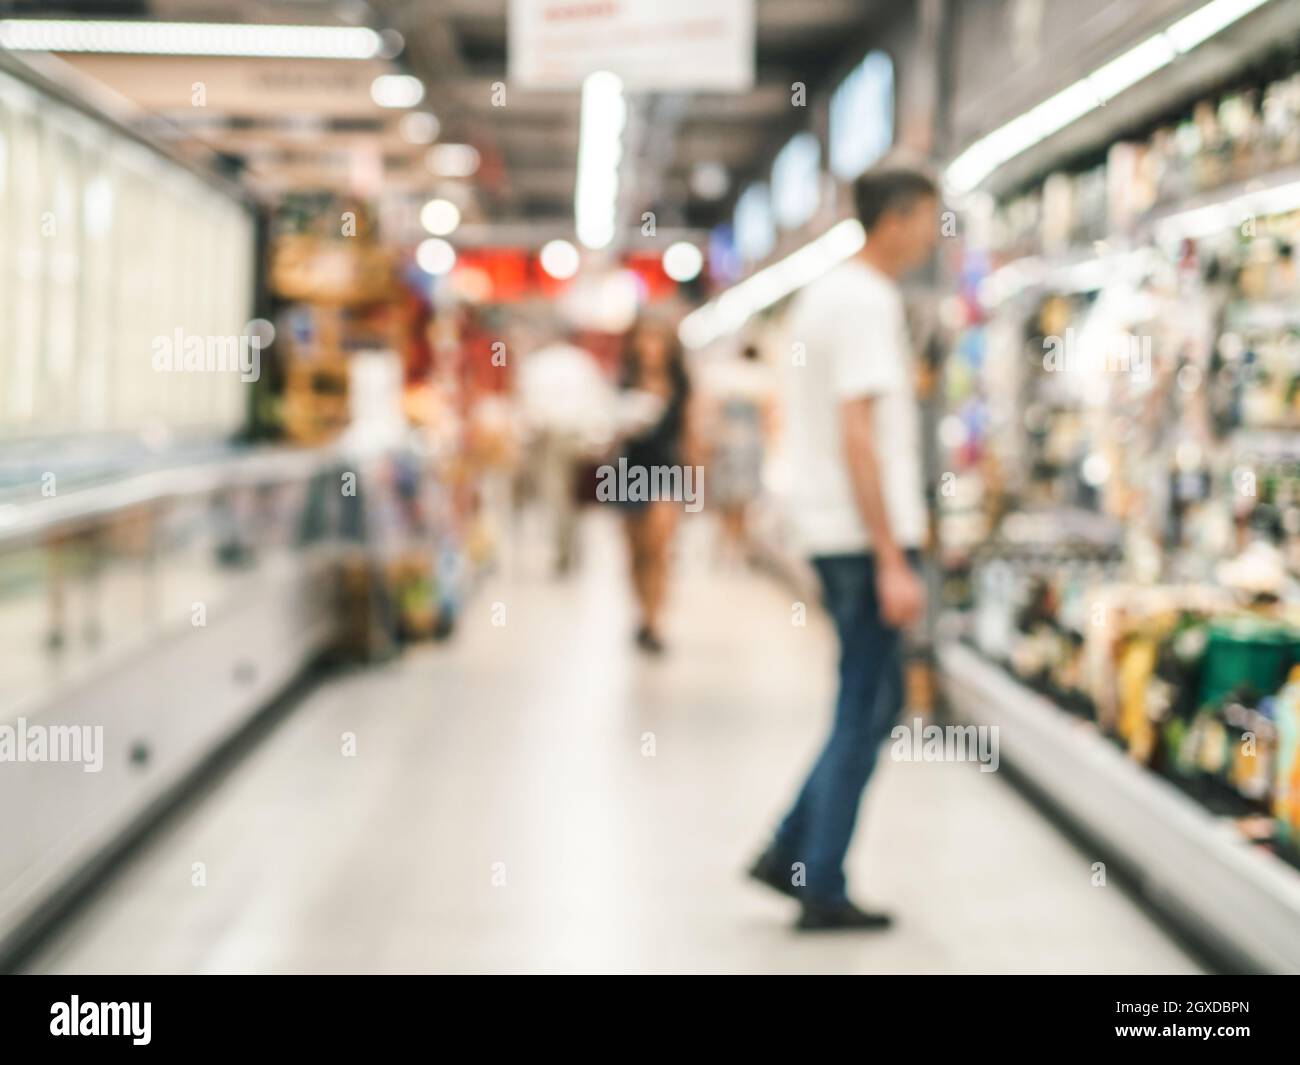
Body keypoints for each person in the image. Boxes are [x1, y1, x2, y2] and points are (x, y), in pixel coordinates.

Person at [748, 165, 939, 930]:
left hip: (838, 531)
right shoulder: (864, 301)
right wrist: (892, 554)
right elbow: (859, 433)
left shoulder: (830, 296)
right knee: (865, 702)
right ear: (894, 219)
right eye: (928, 217)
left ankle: (789, 851)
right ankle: (819, 879)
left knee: (873, 696)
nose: (934, 234)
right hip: (863, 539)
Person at [614, 317, 696, 655]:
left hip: (667, 472)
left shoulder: (681, 386)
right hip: (629, 470)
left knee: (660, 549)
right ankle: (641, 609)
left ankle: (654, 620)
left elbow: (690, 435)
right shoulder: (625, 383)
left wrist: (694, 484)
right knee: (636, 551)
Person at [516, 327, 615, 575]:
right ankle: (571, 547)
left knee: (557, 494)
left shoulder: (538, 364)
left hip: (553, 436)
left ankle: (565, 549)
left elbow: (529, 405)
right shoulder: (582, 362)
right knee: (572, 496)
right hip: (575, 435)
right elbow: (598, 399)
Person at [701, 343, 776, 565]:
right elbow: (768, 418)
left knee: (728, 499)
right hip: (746, 448)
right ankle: (735, 547)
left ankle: (728, 545)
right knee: (740, 500)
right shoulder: (760, 383)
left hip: (729, 447)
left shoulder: (727, 382)